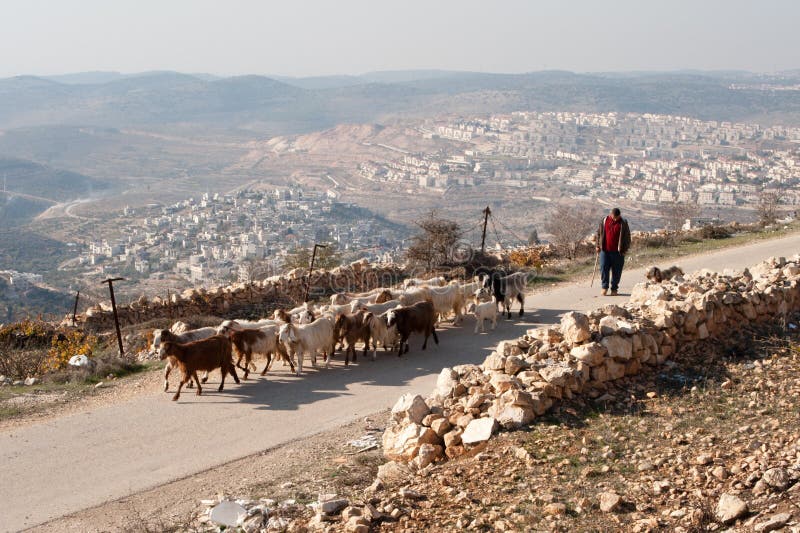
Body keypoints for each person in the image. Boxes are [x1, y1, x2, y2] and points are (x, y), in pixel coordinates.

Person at [595, 208, 631, 296]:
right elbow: (598, 233)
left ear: (619, 215)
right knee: (603, 269)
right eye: (614, 217)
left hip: (618, 252)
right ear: (611, 215)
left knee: (617, 271)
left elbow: (627, 237)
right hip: (605, 251)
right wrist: (597, 245)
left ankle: (614, 289)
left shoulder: (623, 222)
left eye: (617, 217)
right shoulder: (604, 221)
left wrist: (625, 249)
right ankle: (604, 287)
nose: (615, 219)